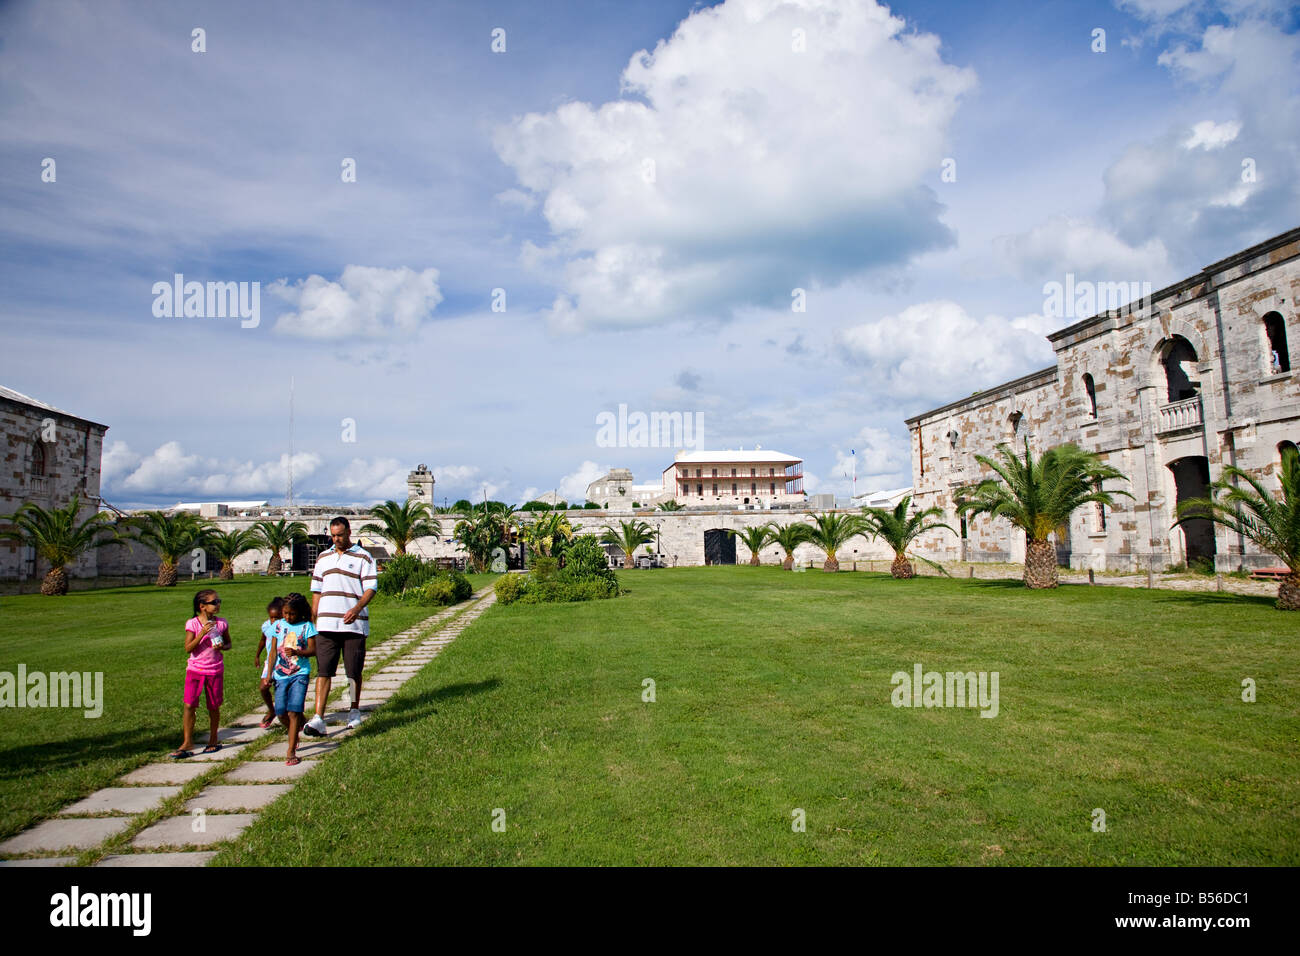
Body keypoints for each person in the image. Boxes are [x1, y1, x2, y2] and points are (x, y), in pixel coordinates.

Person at [303, 516, 377, 736]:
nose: (336, 539)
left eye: (340, 535)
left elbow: (371, 588)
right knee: (323, 671)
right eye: (333, 536)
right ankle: (319, 717)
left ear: (349, 532)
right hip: (326, 624)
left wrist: (357, 608)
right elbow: (317, 590)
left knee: (353, 671)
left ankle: (354, 711)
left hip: (353, 624)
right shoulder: (323, 558)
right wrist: (313, 618)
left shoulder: (364, 557)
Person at [171, 588, 229, 759]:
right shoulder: (193, 624)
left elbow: (229, 644)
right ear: (202, 606)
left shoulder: (221, 623)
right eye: (214, 602)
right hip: (195, 670)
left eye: (219, 601)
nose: (218, 604)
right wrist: (202, 634)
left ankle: (213, 738)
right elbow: (188, 648)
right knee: (189, 705)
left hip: (215, 669)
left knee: (213, 705)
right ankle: (187, 741)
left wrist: (222, 646)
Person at [272, 592, 316, 765]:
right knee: (281, 712)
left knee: (293, 711)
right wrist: (269, 674)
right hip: (280, 674)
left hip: (300, 673)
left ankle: (291, 750)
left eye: (292, 614)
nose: (288, 617)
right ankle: (298, 725)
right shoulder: (279, 625)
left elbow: (313, 650)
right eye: (285, 613)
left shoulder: (307, 626)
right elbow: (273, 651)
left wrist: (298, 652)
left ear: (300, 612)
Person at [255, 597, 286, 729]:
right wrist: (257, 655)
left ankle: (294, 718)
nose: (274, 621)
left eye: (277, 618)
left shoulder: (287, 626)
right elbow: (263, 640)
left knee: (283, 691)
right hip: (270, 661)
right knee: (263, 687)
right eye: (272, 618)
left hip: (284, 662)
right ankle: (271, 710)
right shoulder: (267, 625)